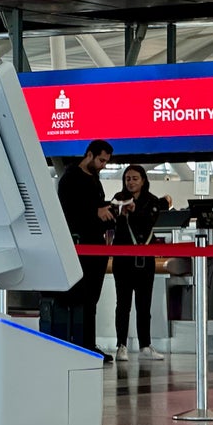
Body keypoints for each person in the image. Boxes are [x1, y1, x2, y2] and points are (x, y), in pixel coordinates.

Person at [56, 139, 115, 362]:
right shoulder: (71, 178)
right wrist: (95, 212)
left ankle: (88, 342)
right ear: (89, 155)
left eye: (106, 162)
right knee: (78, 295)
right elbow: (69, 209)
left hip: (95, 245)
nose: (103, 165)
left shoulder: (94, 180)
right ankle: (77, 341)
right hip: (79, 245)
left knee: (92, 298)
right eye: (101, 160)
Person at [110, 164, 166, 362]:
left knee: (144, 305)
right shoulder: (118, 197)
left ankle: (145, 344)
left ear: (143, 180)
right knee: (123, 304)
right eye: (127, 178)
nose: (131, 182)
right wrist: (119, 212)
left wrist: (133, 212)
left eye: (135, 178)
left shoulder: (151, 201)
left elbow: (148, 221)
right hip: (123, 260)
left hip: (144, 261)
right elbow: (109, 220)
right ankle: (121, 345)